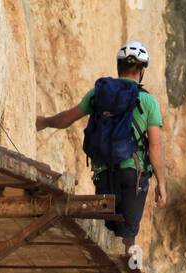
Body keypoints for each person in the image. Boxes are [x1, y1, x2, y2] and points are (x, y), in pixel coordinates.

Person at [35, 41, 166, 251]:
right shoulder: (148, 101)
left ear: (118, 67)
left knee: (106, 230)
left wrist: (44, 122)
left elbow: (67, 118)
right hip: (133, 175)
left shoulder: (99, 94)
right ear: (141, 71)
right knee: (127, 235)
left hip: (104, 174)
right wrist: (162, 182)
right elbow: (155, 147)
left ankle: (106, 266)